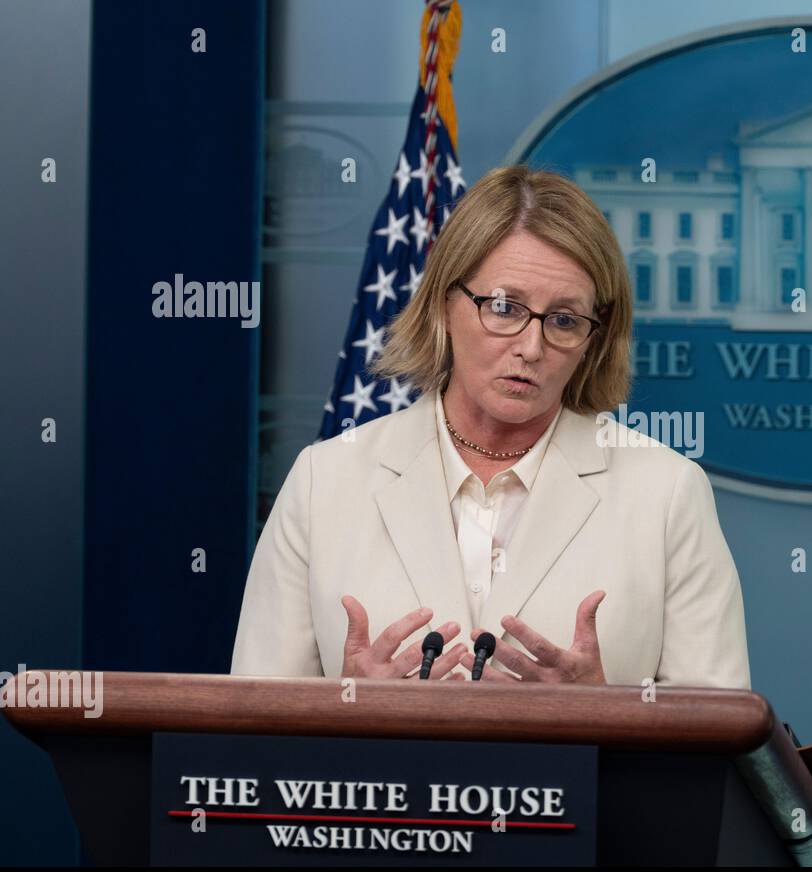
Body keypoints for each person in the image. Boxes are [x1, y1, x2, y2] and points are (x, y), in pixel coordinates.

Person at [230, 164, 750, 688]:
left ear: (594, 336)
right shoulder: (324, 481)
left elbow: (718, 727)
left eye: (564, 319)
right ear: (444, 302)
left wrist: (604, 714)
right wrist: (344, 709)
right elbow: (252, 721)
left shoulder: (666, 493)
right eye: (504, 307)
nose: (531, 347)